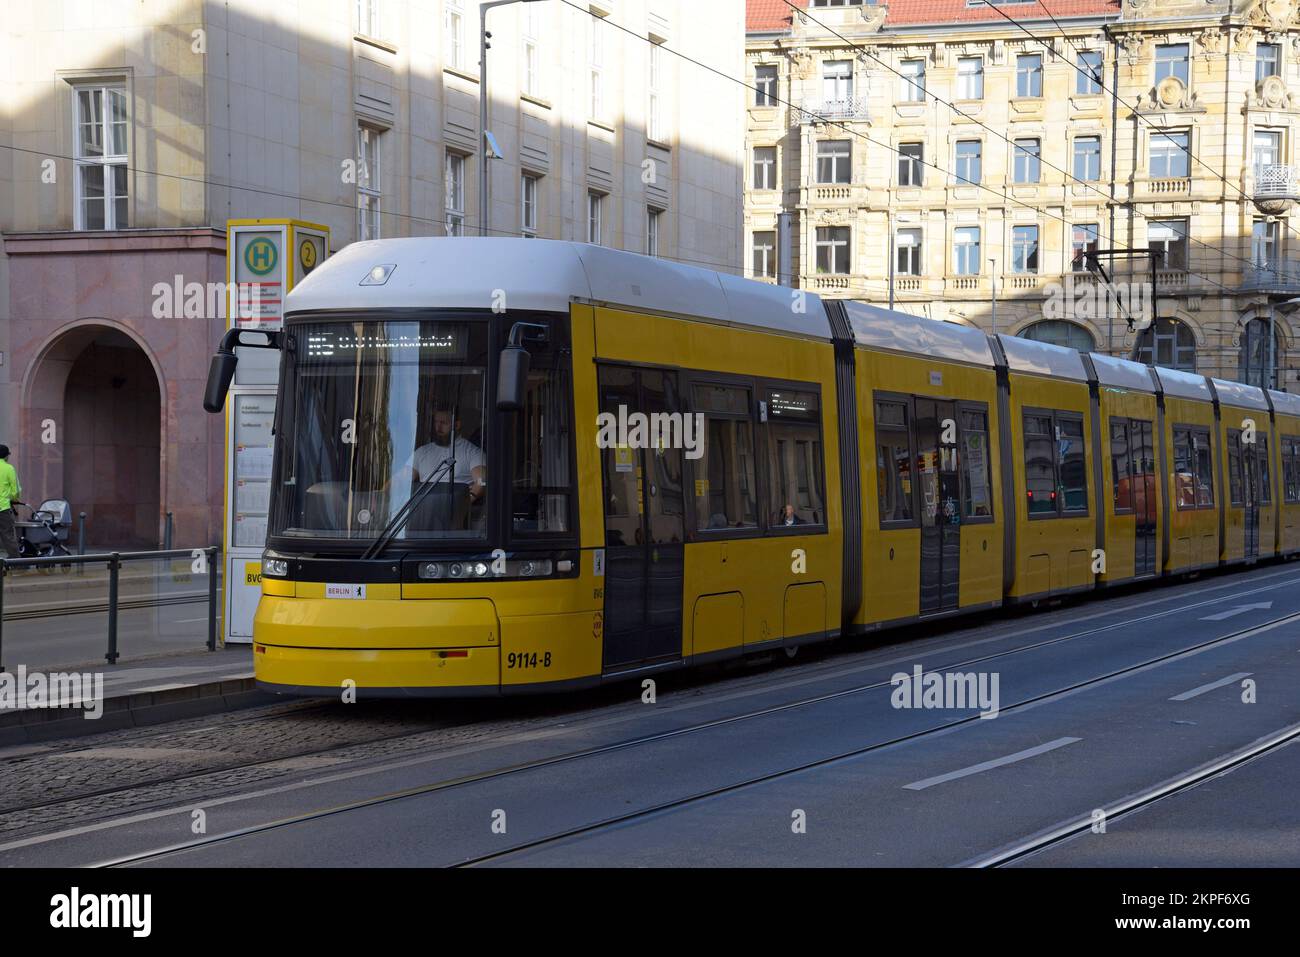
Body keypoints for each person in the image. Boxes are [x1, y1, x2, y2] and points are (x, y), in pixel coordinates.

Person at [397, 405, 486, 502]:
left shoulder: (472, 452)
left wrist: (462, 505)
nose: (438, 427)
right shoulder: (422, 452)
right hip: (422, 510)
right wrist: (381, 494)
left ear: (456, 425)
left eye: (443, 423)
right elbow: (401, 479)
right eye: (436, 422)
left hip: (455, 513)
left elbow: (481, 482)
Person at [0, 445, 22, 559]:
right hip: (3, 508)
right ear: (5, 456)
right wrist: (14, 498)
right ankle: (17, 564)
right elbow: (15, 491)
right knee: (8, 536)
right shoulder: (9, 468)